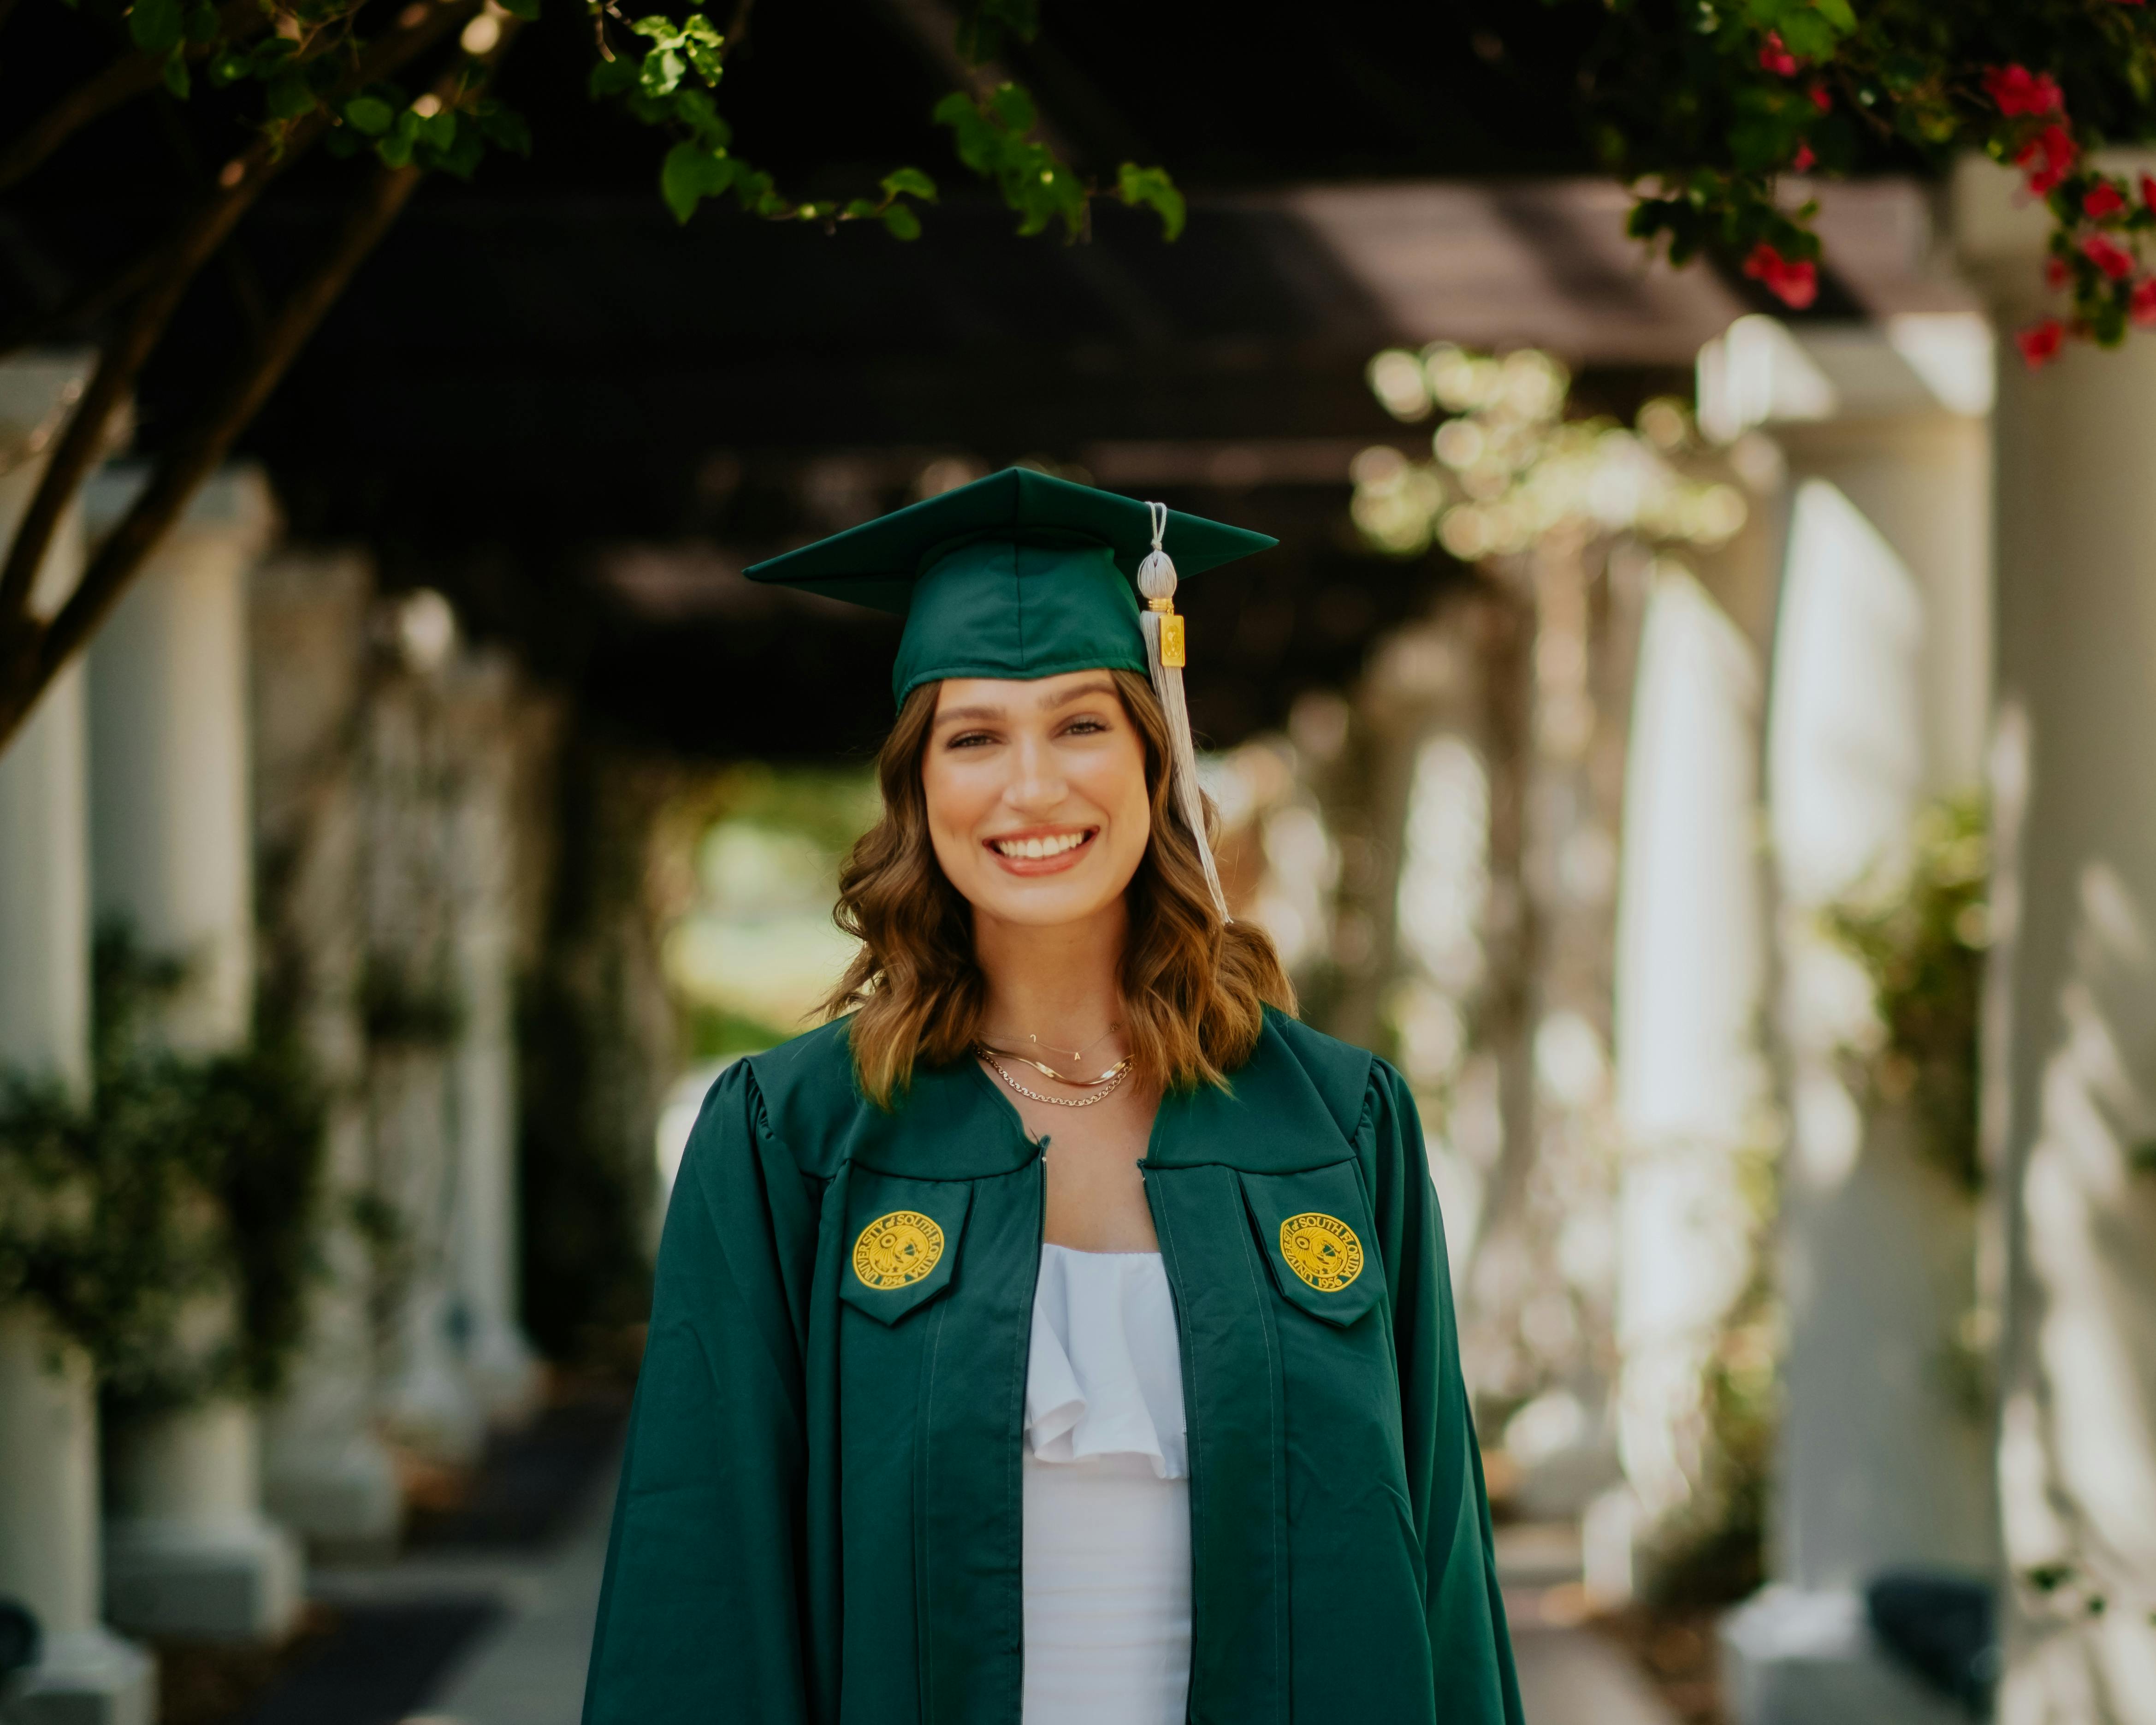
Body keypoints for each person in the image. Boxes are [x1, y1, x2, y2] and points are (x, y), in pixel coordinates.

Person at [580, 468, 1522, 1725]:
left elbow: (1442, 1571)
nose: (1031, 789)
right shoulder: (791, 1136)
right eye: (974, 738)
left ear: (1155, 757)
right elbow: (702, 1574)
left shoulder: (1335, 1122)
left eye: (1081, 725)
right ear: (919, 789)